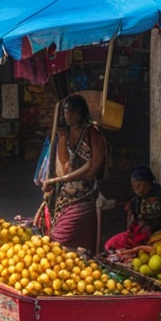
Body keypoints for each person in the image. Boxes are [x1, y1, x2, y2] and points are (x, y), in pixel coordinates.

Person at [41, 93, 107, 252]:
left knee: (60, 238)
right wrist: (61, 138)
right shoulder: (67, 133)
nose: (67, 114)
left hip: (84, 194)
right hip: (65, 195)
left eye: (70, 111)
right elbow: (63, 165)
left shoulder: (92, 133)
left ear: (79, 113)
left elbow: (90, 169)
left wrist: (59, 180)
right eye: (65, 111)